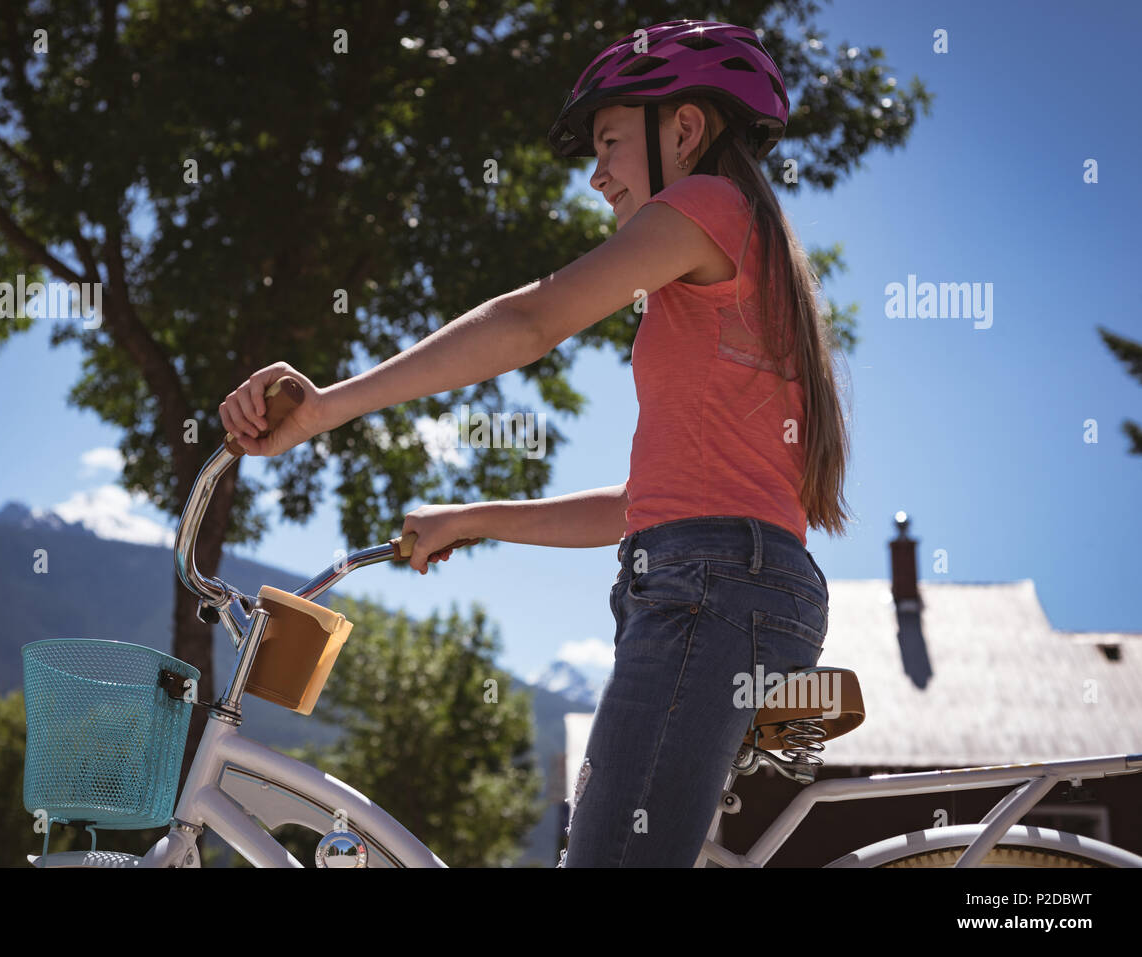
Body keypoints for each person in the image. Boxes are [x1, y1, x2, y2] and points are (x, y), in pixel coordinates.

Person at [219, 18, 852, 866]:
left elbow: (528, 321)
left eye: (611, 141)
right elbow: (645, 508)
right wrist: (473, 517)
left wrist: (329, 405)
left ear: (687, 130)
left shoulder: (706, 204)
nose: (596, 176)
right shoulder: (749, 256)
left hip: (707, 596)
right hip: (728, 588)